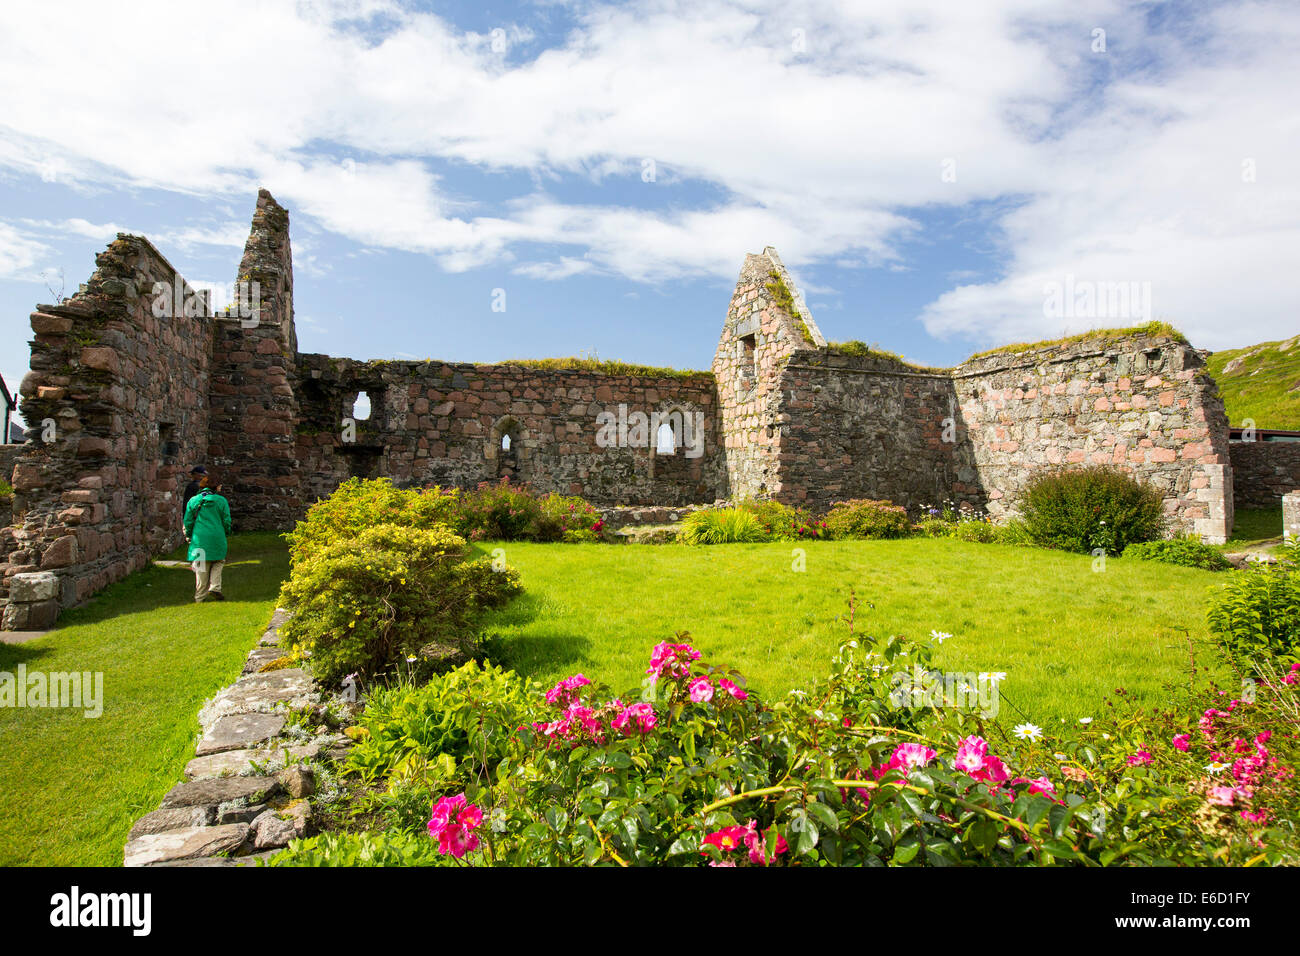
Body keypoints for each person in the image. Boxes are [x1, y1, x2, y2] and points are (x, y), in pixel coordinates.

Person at [183, 475, 232, 603]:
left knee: (200, 567)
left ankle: (200, 597)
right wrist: (227, 532)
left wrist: (189, 535)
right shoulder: (221, 501)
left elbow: (188, 521)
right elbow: (226, 520)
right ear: (215, 486)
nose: (221, 487)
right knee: (218, 561)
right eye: (220, 485)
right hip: (217, 536)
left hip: (199, 538)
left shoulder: (194, 501)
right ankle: (215, 587)